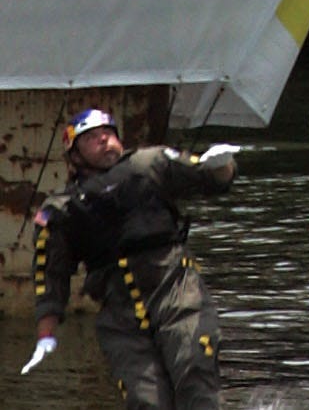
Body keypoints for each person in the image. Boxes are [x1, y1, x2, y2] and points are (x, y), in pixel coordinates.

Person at [23, 108, 239, 409]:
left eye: (109, 133)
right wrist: (45, 333)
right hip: (119, 310)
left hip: (175, 290)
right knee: (146, 399)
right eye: (92, 137)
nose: (104, 140)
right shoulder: (60, 209)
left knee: (193, 371)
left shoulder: (149, 163)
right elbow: (50, 272)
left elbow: (210, 178)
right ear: (74, 153)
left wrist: (222, 165)